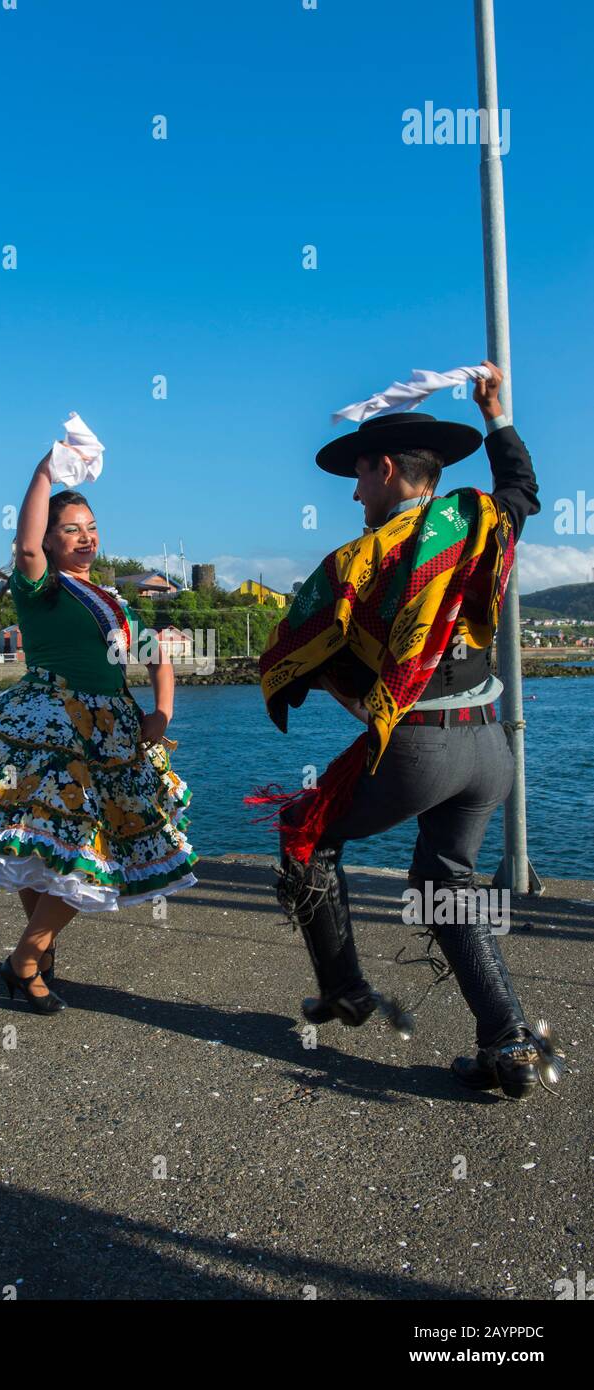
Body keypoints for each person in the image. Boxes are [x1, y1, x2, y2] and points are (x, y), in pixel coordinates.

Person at [249, 362, 563, 1100]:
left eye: (358, 479)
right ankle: (508, 1041)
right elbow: (523, 490)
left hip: (418, 748)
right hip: (489, 747)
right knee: (445, 885)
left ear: (385, 469)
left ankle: (345, 990)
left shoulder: (355, 562)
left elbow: (290, 655)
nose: (354, 494)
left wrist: (347, 692)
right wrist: (496, 417)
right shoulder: (482, 520)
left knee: (304, 831)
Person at [0, 443, 198, 1014]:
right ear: (49, 541)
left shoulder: (117, 600)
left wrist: (160, 714)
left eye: (91, 528)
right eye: (71, 530)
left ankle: (34, 958)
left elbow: (159, 657)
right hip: (49, 722)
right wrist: (44, 471)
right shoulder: (41, 588)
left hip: (113, 733)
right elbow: (22, 545)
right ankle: (29, 957)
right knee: (69, 846)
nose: (85, 537)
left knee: (58, 845)